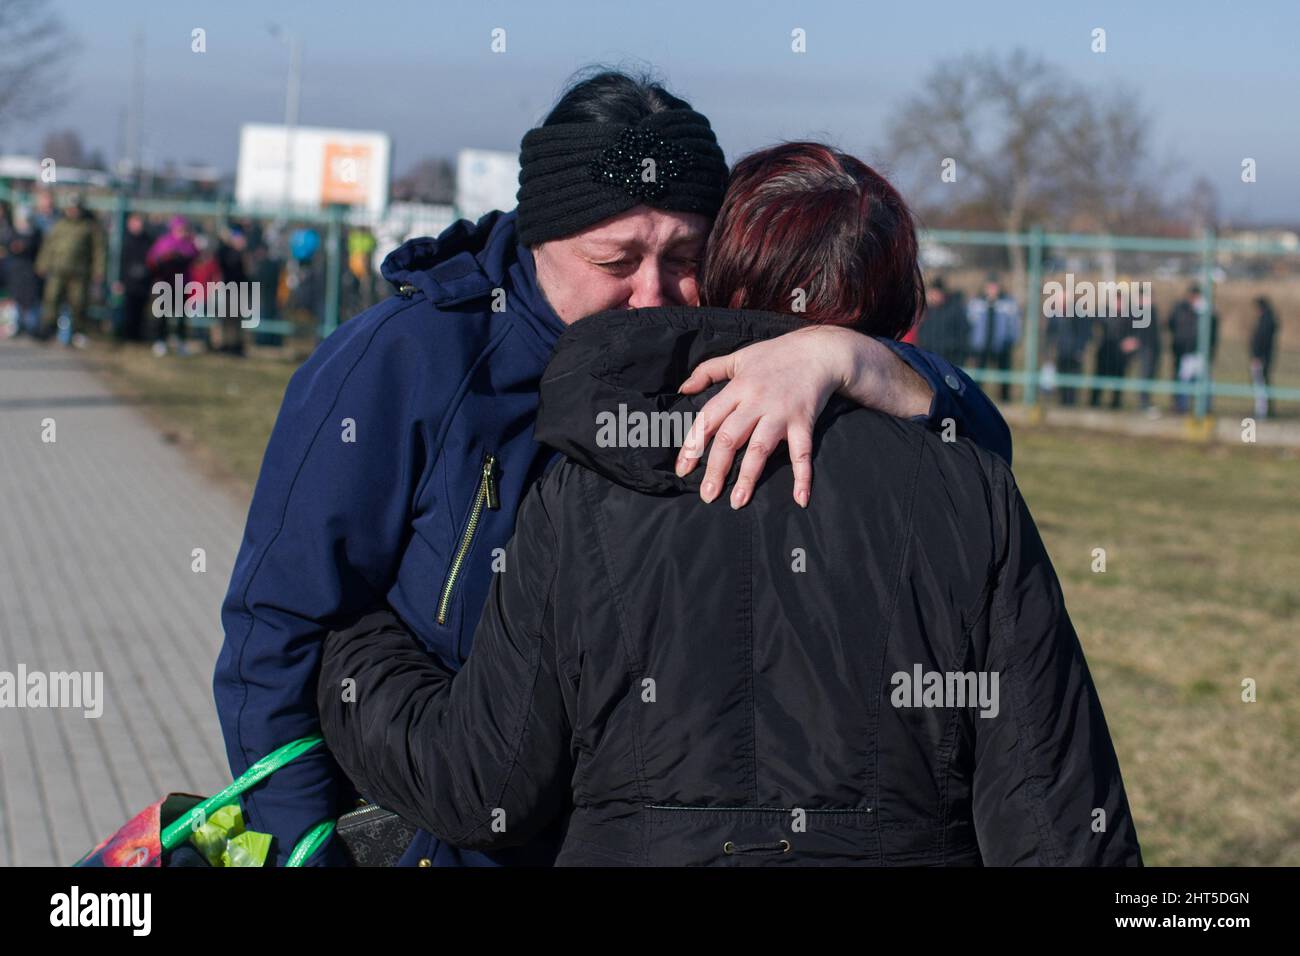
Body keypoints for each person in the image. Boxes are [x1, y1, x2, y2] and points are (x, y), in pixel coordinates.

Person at [214, 69, 1011, 869]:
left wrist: (852, 357)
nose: (651, 294)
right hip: (442, 830)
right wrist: (301, 845)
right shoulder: (403, 362)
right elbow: (276, 626)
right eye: (615, 258)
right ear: (539, 236)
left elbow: (966, 455)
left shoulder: (729, 362)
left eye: (684, 257)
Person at [316, 142, 1141, 866]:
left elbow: (485, 781)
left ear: (718, 276)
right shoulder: (969, 489)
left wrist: (353, 649)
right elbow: (1058, 821)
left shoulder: (590, 479)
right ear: (896, 308)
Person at [33, 194, 104, 347]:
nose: (73, 212)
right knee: (51, 298)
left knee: (78, 302)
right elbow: (48, 246)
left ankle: (78, 332)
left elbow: (98, 251)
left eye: (76, 209)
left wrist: (99, 270)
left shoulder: (89, 227)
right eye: (71, 209)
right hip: (58, 270)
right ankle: (48, 328)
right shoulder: (60, 224)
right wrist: (42, 264)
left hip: (79, 272)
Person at [145, 216, 198, 355]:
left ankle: (180, 342)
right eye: (179, 229)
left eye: (184, 229)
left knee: (180, 315)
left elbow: (194, 256)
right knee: (161, 314)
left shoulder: (189, 243)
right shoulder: (164, 242)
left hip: (181, 284)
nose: (182, 232)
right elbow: (152, 259)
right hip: (165, 283)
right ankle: (160, 341)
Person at [967, 274, 1020, 401]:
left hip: (1002, 345)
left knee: (1004, 374)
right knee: (979, 375)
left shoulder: (1008, 303)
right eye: (990, 287)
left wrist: (1011, 340)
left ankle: (1005, 399)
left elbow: (1015, 324)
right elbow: (970, 323)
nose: (992, 290)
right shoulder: (977, 303)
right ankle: (976, 400)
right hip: (981, 345)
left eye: (994, 287)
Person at [114, 213, 155, 342]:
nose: (138, 225)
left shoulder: (148, 241)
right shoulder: (124, 241)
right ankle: (125, 336)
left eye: (139, 222)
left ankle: (138, 337)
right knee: (127, 310)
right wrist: (119, 281)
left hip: (143, 282)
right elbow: (120, 262)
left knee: (141, 311)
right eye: (135, 222)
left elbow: (152, 261)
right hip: (128, 282)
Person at [916, 275, 968, 366]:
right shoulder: (928, 311)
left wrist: (951, 348)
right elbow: (922, 332)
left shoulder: (955, 310)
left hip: (950, 360)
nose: (933, 296)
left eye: (936, 293)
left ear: (943, 294)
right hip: (930, 358)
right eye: (932, 293)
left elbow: (963, 334)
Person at [1249, 296, 1279, 419]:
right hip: (1264, 357)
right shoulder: (1268, 320)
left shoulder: (1266, 321)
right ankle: (1264, 410)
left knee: (1260, 384)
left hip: (1261, 358)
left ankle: (1262, 412)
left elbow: (1261, 341)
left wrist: (1257, 355)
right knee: (1262, 383)